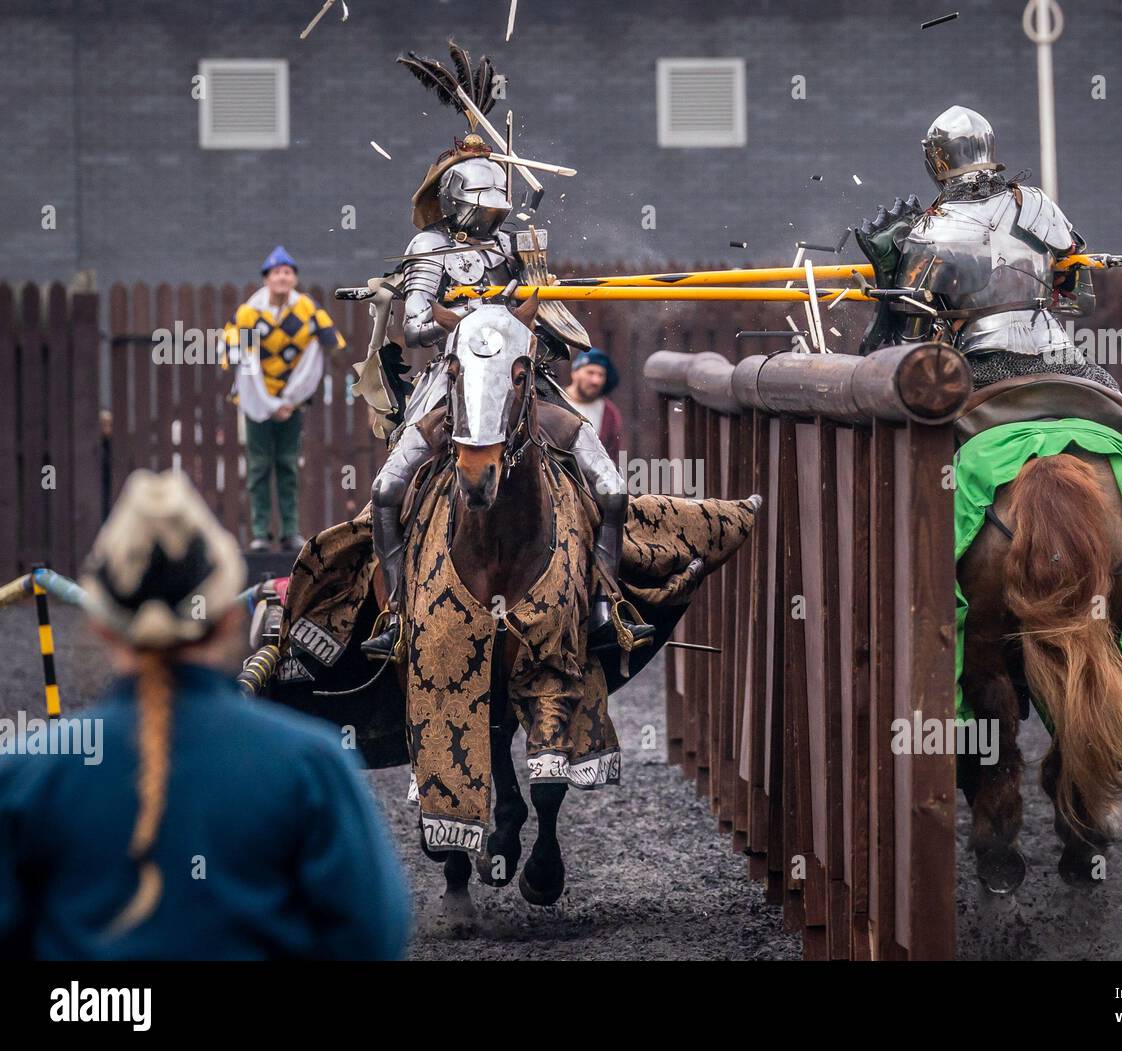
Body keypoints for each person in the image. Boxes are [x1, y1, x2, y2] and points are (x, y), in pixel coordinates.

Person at [0, 470, 409, 960]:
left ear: (100, 626)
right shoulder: (312, 766)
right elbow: (373, 937)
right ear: (230, 616)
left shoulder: (26, 777)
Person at [856, 105, 1122, 638]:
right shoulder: (1037, 204)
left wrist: (891, 281)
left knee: (916, 446)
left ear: (936, 161)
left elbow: (904, 344)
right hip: (1060, 358)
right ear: (989, 149)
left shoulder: (926, 230)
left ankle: (907, 584)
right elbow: (1075, 293)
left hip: (979, 363)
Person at [357, 43, 648, 661]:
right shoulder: (428, 246)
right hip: (453, 380)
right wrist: (472, 317)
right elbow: (414, 327)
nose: (492, 214)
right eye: (483, 203)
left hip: (519, 382)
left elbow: (536, 311)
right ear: (459, 196)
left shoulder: (511, 245)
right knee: (387, 488)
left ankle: (603, 603)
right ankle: (398, 612)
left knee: (609, 484)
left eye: (498, 205)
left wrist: (528, 273)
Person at [222, 246, 345, 553]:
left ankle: (290, 531)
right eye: (276, 272)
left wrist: (289, 399)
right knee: (259, 465)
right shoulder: (250, 312)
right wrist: (265, 402)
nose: (282, 277)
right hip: (255, 400)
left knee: (289, 465)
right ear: (266, 278)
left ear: (295, 278)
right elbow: (234, 349)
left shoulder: (306, 308)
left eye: (287, 272)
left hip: (293, 399)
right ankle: (261, 531)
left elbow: (331, 341)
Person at [565, 348, 624, 460]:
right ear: (575, 373)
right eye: (590, 373)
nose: (596, 381)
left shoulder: (609, 413)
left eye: (601, 375)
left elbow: (612, 457)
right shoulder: (555, 401)